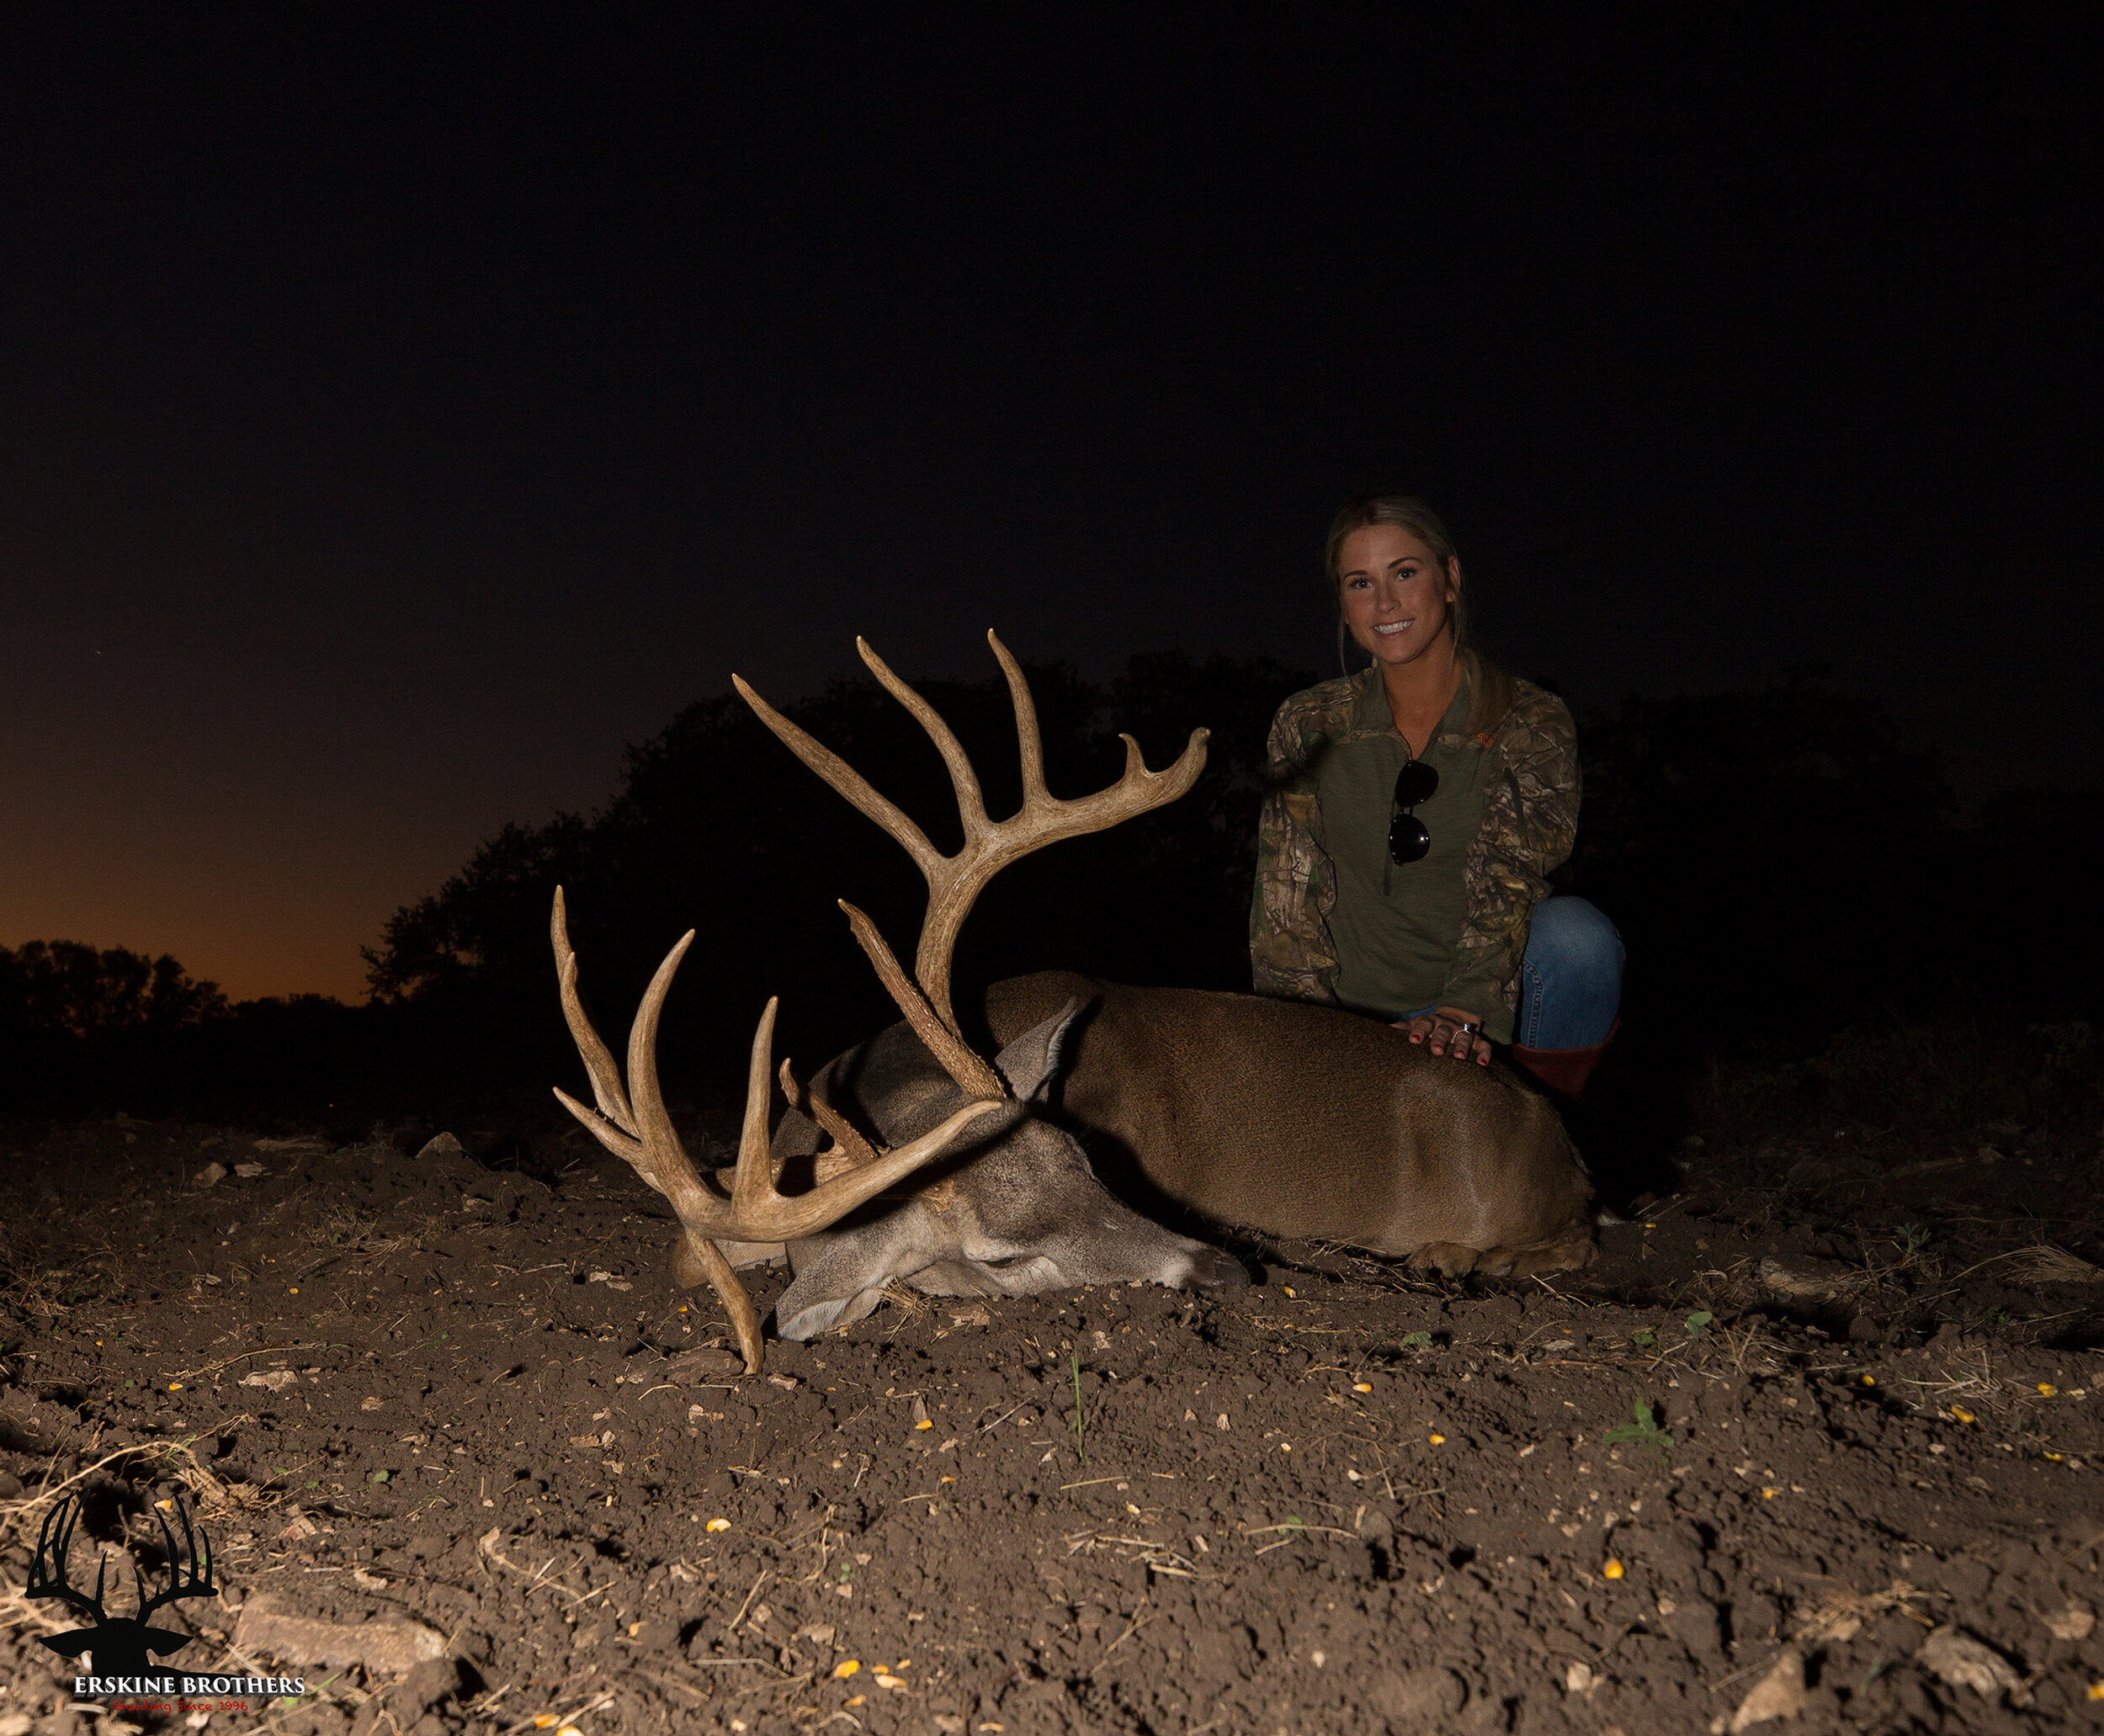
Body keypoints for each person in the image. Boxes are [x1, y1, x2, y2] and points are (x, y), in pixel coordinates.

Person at [1250, 492, 1622, 1099]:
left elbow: (1510, 873)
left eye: (1404, 572)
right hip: (1350, 1020)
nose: (1385, 603)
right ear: (1343, 603)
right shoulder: (1307, 721)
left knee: (1578, 940)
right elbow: (1284, 899)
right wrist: (1312, 1045)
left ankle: (1553, 1129)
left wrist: (1461, 1012)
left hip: (1473, 1010)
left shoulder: (1530, 718)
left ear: (1449, 577)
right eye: (1360, 583)